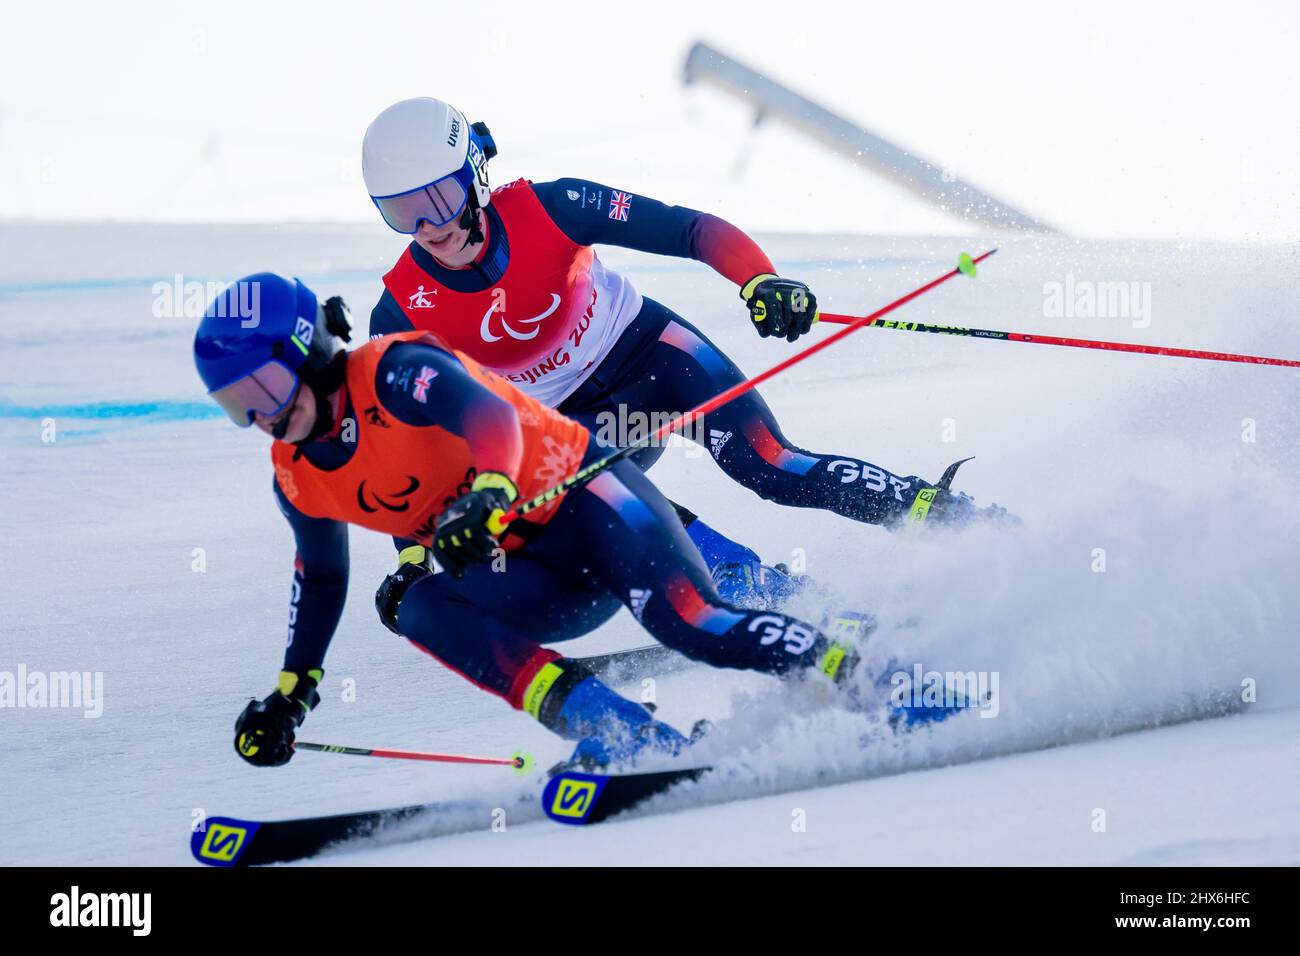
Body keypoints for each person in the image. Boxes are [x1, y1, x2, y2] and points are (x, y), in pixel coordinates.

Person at [194, 273, 865, 772]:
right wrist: (292, 693)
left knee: (691, 624)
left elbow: (490, 418)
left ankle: (861, 672)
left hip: (592, 507)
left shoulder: (394, 372)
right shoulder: (297, 475)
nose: (264, 418)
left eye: (267, 390)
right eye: (238, 407)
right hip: (534, 585)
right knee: (416, 604)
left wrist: (486, 495)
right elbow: (321, 580)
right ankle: (622, 733)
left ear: (309, 350)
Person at [362, 97, 1008, 606]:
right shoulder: (399, 308)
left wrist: (760, 279)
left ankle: (947, 517)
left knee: (771, 466)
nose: (432, 228)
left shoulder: (550, 207)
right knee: (612, 508)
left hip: (654, 359)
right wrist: (413, 560)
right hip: (571, 426)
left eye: (440, 199)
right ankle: (773, 595)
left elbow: (690, 228)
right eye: (402, 213)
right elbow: (406, 446)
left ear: (475, 173)